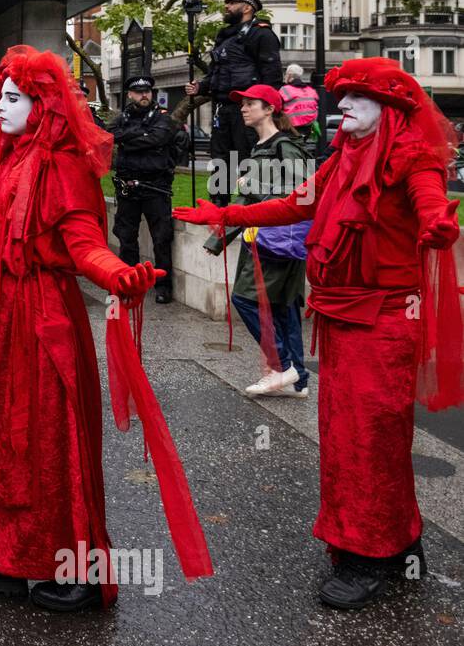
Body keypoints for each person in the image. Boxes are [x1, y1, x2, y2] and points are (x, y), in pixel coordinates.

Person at [0, 45, 213, 611]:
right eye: (1, 95)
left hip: (42, 323)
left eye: (15, 98)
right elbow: (6, 228)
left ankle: (78, 569)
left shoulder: (62, 164)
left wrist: (119, 274)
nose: (1, 105)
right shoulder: (8, 157)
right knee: (5, 443)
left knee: (49, 443)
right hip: (3, 320)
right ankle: (7, 559)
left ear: (44, 106)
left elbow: (82, 243)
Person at [176, 57, 463, 610]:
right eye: (343, 96)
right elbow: (295, 203)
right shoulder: (344, 159)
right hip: (343, 318)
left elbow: (430, 200)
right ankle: (397, 544)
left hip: (381, 323)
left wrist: (436, 222)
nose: (344, 106)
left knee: (371, 438)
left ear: (391, 108)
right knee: (345, 435)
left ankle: (371, 556)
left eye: (358, 98)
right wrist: (229, 213)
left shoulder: (411, 158)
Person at [205, 84, 312, 397]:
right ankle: (299, 380)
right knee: (284, 307)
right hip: (267, 239)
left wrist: (253, 183)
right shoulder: (264, 146)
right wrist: (218, 239)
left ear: (269, 110)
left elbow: (299, 196)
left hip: (274, 242)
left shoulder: (285, 147)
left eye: (251, 103)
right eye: (242, 104)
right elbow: (251, 199)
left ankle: (282, 367)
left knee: (245, 299)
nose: (243, 108)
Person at [185, 0, 282, 206]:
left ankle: (251, 206)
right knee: (220, 161)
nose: (226, 7)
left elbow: (272, 78)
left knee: (249, 159)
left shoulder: (261, 34)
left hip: (248, 111)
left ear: (247, 8)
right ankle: (218, 208)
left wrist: (266, 110)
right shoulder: (225, 37)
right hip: (223, 110)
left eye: (232, 3)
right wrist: (200, 87)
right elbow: (216, 73)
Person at [110, 74, 179, 304]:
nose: (144, 95)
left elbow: (158, 139)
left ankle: (163, 287)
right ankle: (130, 281)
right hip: (128, 188)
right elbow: (111, 136)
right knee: (126, 237)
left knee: (161, 239)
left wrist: (127, 140)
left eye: (147, 92)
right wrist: (139, 136)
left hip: (155, 187)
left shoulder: (162, 118)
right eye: (139, 92)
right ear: (130, 95)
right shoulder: (122, 118)